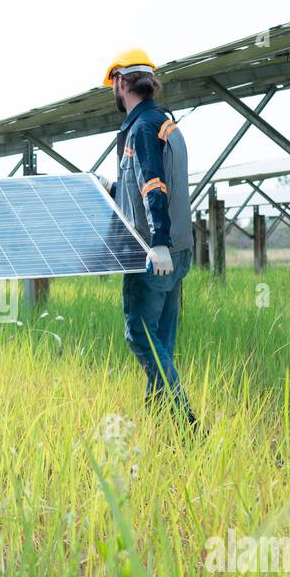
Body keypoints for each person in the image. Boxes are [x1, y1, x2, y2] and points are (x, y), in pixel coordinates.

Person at [102, 47, 197, 425]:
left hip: (153, 252)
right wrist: (111, 189)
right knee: (162, 342)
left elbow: (154, 186)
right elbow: (143, 183)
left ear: (122, 82)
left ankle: (185, 419)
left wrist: (157, 242)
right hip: (178, 250)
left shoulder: (140, 128)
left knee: (139, 336)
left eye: (113, 84)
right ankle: (163, 422)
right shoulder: (164, 124)